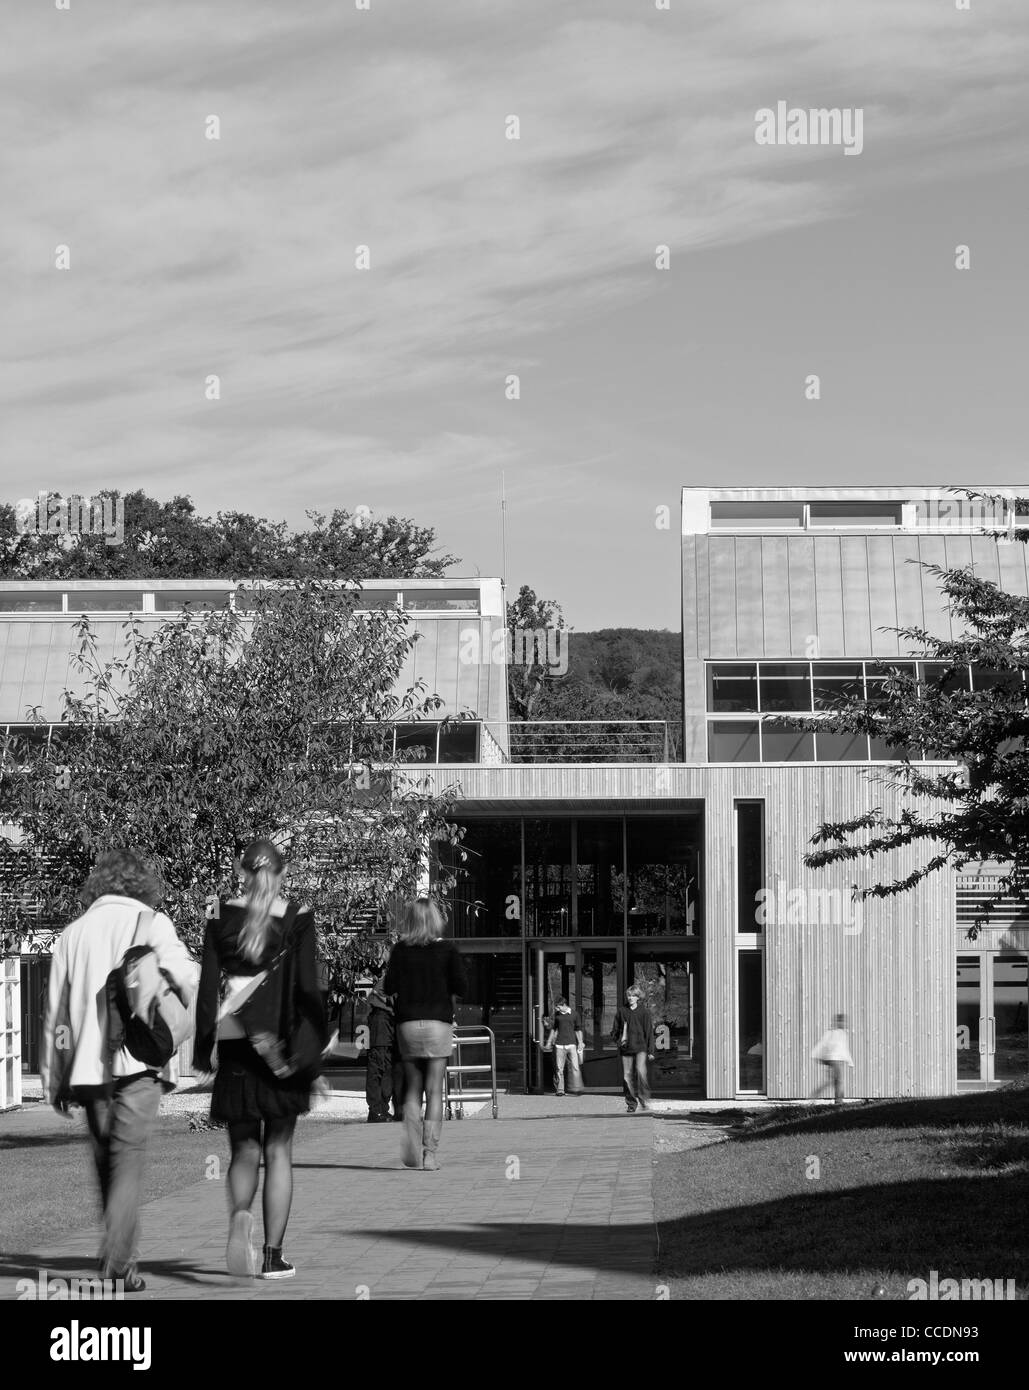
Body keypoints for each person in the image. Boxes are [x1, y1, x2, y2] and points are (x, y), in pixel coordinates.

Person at [40, 848, 197, 1293]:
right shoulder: (152, 922)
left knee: (107, 1163)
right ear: (142, 882)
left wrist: (55, 1074)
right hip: (140, 1060)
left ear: (98, 884)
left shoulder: (72, 934)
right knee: (128, 1159)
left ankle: (119, 1259)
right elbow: (187, 978)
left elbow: (56, 1018)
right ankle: (118, 1260)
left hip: (90, 1070)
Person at [194, 837, 327, 1280]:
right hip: (280, 1048)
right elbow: (308, 988)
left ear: (240, 872)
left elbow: (207, 985)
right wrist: (315, 1045)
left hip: (235, 1042)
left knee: (244, 1148)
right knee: (280, 1149)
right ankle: (272, 1256)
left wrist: (202, 1049)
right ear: (283, 873)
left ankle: (239, 1218)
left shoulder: (218, 914)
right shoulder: (298, 918)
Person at [383, 898, 466, 1171]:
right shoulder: (447, 950)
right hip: (438, 1023)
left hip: (407, 1023)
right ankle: (430, 1154)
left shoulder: (400, 950)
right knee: (434, 1090)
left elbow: (390, 986)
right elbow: (461, 985)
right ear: (435, 919)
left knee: (413, 1087)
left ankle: (411, 1139)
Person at [611, 984, 655, 1114]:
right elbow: (615, 1030)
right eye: (629, 995)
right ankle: (631, 1103)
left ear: (638, 997)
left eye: (633, 996)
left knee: (641, 1074)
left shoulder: (644, 1012)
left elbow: (649, 1032)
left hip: (641, 1048)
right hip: (626, 1050)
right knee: (627, 1077)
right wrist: (619, 1042)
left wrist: (651, 1050)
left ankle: (643, 1099)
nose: (630, 998)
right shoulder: (621, 1011)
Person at [365, 976, 398, 1122]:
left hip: (387, 1020)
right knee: (379, 1066)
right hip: (381, 1020)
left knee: (388, 1068)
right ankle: (376, 1111)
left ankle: (381, 1109)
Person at [544, 996, 585, 1096]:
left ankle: (576, 1089)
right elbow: (554, 1030)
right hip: (559, 1045)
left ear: (564, 1005)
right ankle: (560, 1090)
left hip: (571, 1045)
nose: (556, 1009)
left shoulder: (574, 1014)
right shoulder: (557, 1016)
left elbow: (578, 1029)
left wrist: (580, 1042)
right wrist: (549, 1042)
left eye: (558, 1007)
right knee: (559, 1069)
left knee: (575, 1067)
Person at [811, 1013, 854, 1104]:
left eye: (842, 1022)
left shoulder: (840, 1033)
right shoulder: (833, 1033)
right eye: (840, 1021)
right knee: (838, 1081)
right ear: (838, 1022)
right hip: (834, 1059)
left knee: (832, 1081)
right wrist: (815, 1054)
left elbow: (844, 1048)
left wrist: (849, 1061)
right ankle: (838, 1101)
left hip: (836, 1059)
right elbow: (823, 1043)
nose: (842, 1023)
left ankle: (816, 1094)